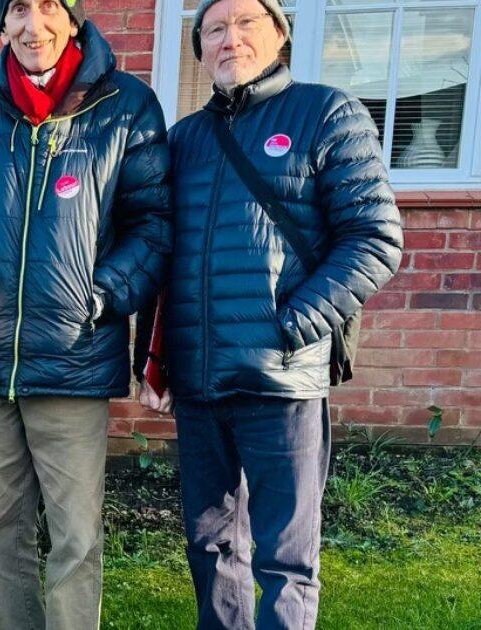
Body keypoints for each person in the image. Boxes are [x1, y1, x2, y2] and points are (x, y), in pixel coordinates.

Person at [135, 0, 403, 626]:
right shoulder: (185, 141)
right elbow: (164, 255)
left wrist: (297, 324)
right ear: (201, 49)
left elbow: (375, 236)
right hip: (201, 383)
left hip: (282, 379)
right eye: (215, 30)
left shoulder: (324, 113)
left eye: (245, 23)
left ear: (280, 33)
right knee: (212, 547)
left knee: (286, 559)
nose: (230, 40)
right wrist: (157, 362)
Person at [0, 1, 172, 627]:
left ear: (75, 19)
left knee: (75, 541)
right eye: (18, 10)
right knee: (1, 534)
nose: (35, 25)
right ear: (2, 25)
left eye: (51, 7)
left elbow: (154, 225)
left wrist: (101, 293)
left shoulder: (126, 107)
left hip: (74, 362)